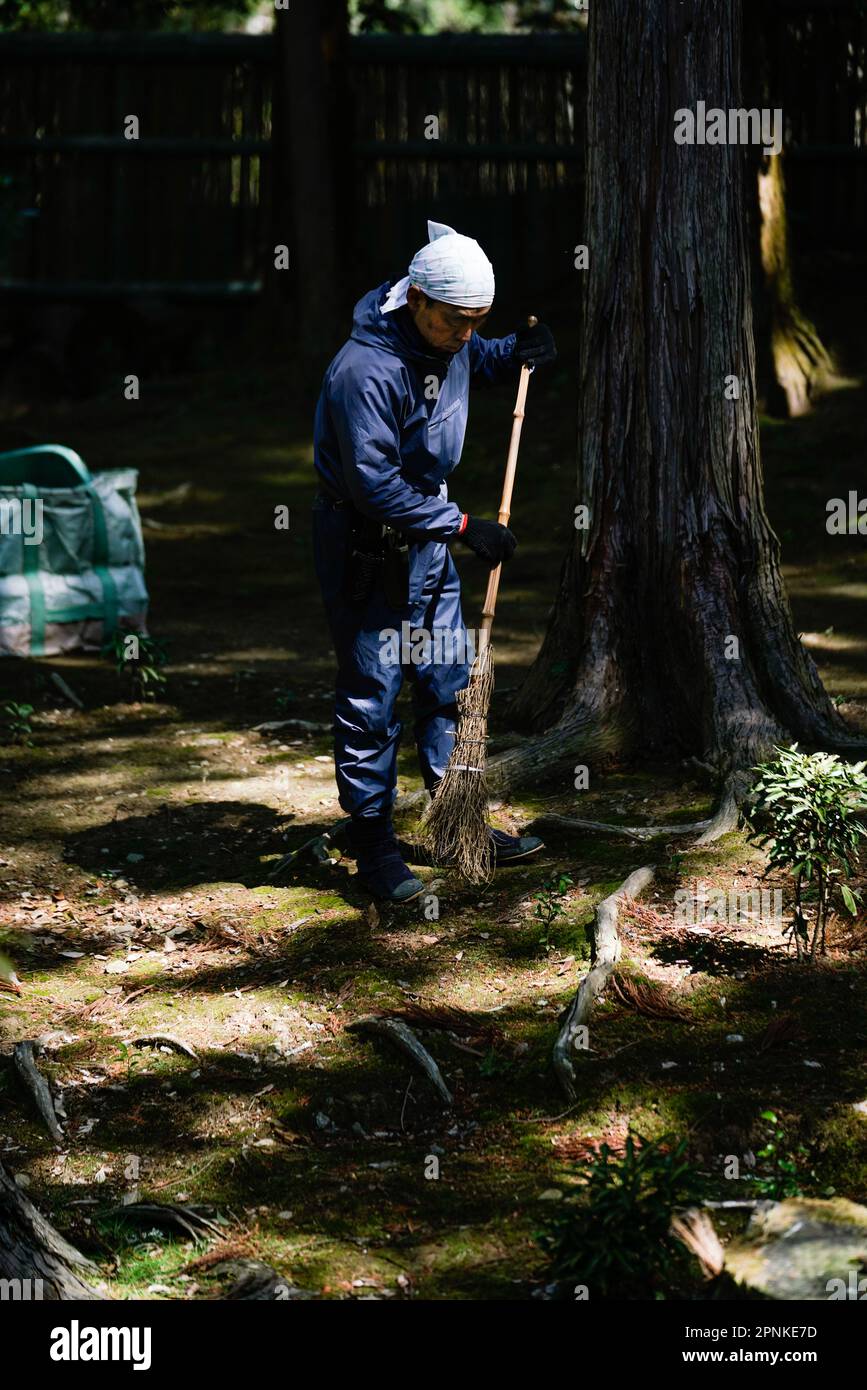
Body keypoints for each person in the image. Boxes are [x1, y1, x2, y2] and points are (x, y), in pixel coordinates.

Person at [313, 219, 557, 903]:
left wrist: (513, 353)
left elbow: (470, 362)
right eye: (457, 322)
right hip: (369, 547)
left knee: (447, 682)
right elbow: (373, 485)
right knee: (372, 698)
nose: (465, 336)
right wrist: (462, 525)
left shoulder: (443, 342)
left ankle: (455, 826)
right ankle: (373, 850)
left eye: (478, 322)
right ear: (417, 299)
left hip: (426, 547)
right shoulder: (364, 373)